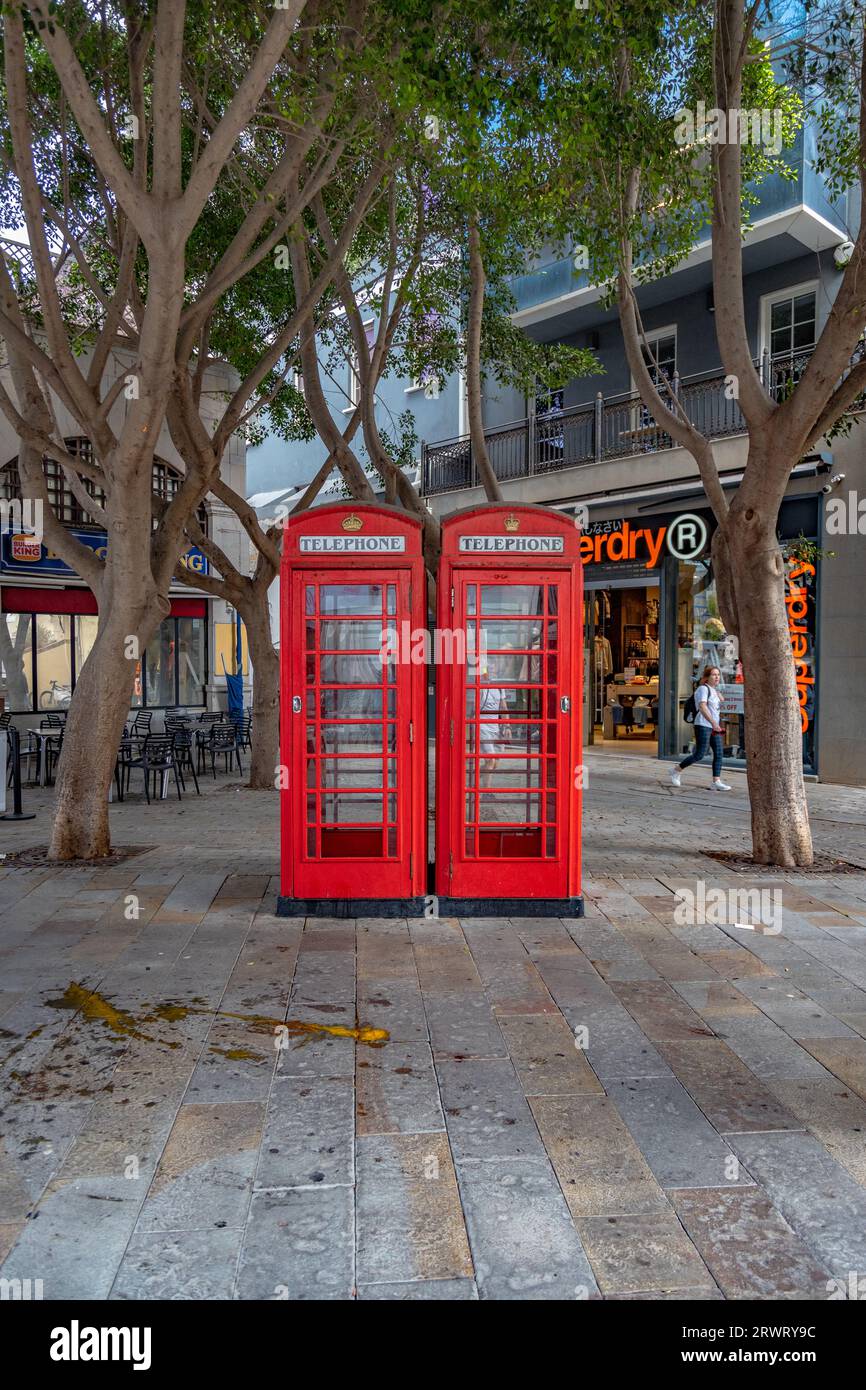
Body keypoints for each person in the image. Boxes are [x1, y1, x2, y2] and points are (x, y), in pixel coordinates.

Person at [670, 665, 732, 790]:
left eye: (718, 675)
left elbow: (714, 708)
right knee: (699, 754)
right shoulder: (703, 689)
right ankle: (676, 770)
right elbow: (702, 707)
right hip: (703, 724)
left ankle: (716, 781)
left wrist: (720, 698)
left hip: (714, 726)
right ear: (706, 677)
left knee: (719, 753)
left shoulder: (714, 691)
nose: (717, 677)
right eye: (713, 675)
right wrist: (714, 723)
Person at [479, 655, 511, 788]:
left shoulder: (499, 687)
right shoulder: (479, 686)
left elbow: (503, 707)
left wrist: (507, 726)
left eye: (494, 667)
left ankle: (474, 775)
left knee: (495, 762)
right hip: (482, 728)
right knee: (490, 760)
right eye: (489, 667)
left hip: (496, 729)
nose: (492, 669)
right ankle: (486, 791)